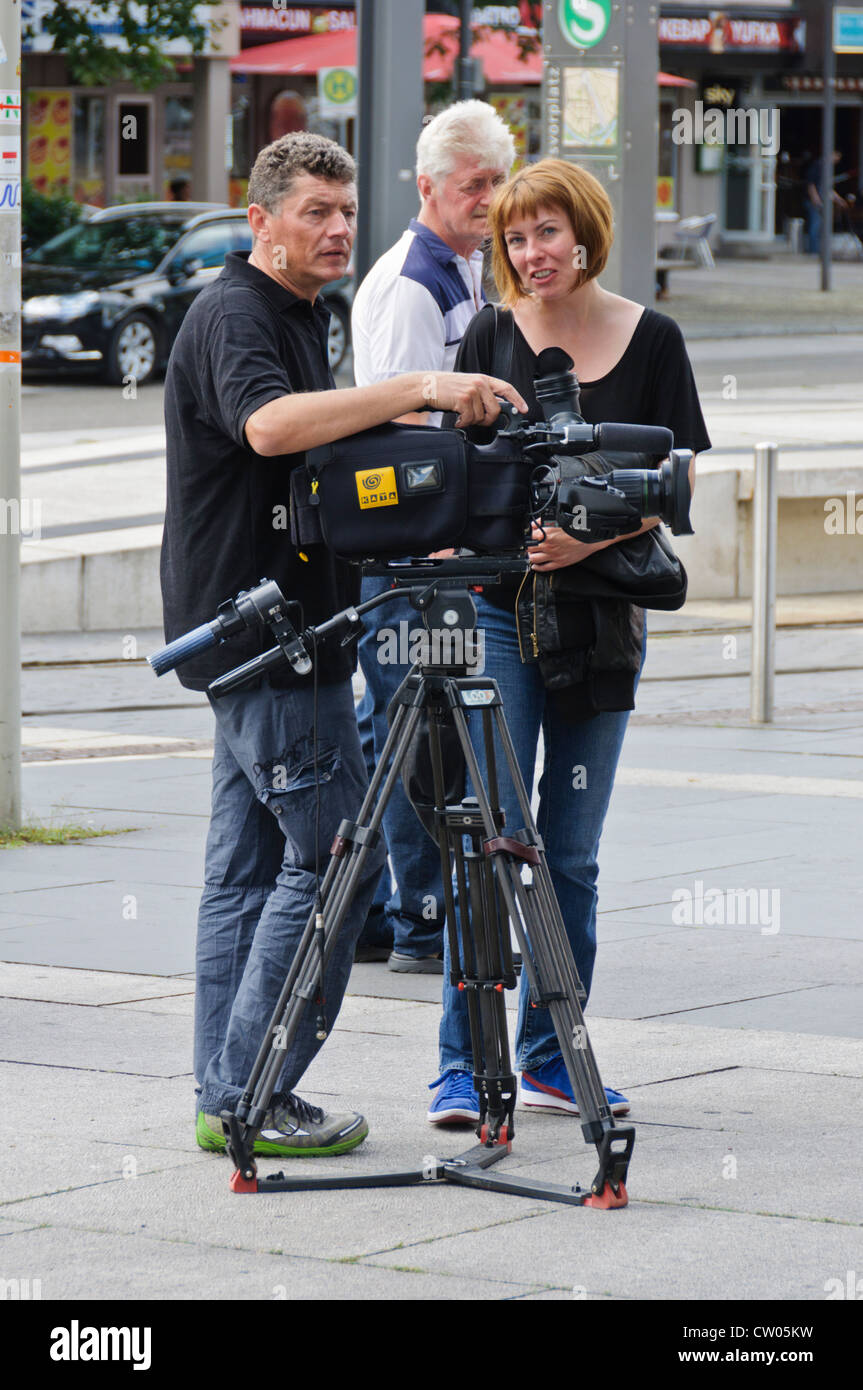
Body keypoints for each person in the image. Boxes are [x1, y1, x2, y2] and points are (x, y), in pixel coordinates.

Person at [159, 131, 527, 1160]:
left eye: (341, 212)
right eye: (312, 215)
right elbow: (271, 429)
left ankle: (222, 1091)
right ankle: (254, 1094)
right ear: (259, 221)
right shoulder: (237, 311)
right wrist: (420, 389)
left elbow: (313, 449)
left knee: (245, 874)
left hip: (255, 629)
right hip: (267, 637)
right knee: (333, 864)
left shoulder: (295, 309)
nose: (333, 231)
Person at [427, 158, 711, 1125]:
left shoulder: (652, 337)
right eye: (512, 237)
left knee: (571, 854)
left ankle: (553, 1052)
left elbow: (670, 489)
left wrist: (593, 533)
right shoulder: (490, 333)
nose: (529, 253)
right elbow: (455, 470)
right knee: (490, 838)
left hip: (598, 622)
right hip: (502, 609)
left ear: (584, 233)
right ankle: (461, 1067)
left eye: (545, 233)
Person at [351, 101, 515, 973]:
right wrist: (434, 539)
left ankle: (392, 912)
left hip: (429, 546)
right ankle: (415, 923)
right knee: (411, 734)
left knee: (408, 729)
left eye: (495, 182)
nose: (488, 201)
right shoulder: (415, 282)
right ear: (428, 187)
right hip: (412, 552)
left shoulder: (462, 264)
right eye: (472, 186)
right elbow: (398, 422)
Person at [804, 151, 849, 255]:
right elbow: (811, 184)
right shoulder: (817, 166)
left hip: (822, 202)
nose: (837, 161)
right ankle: (813, 252)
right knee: (815, 226)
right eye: (836, 158)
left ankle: (818, 251)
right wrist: (815, 199)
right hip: (815, 201)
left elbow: (827, 188)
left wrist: (839, 200)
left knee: (820, 227)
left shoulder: (827, 170)